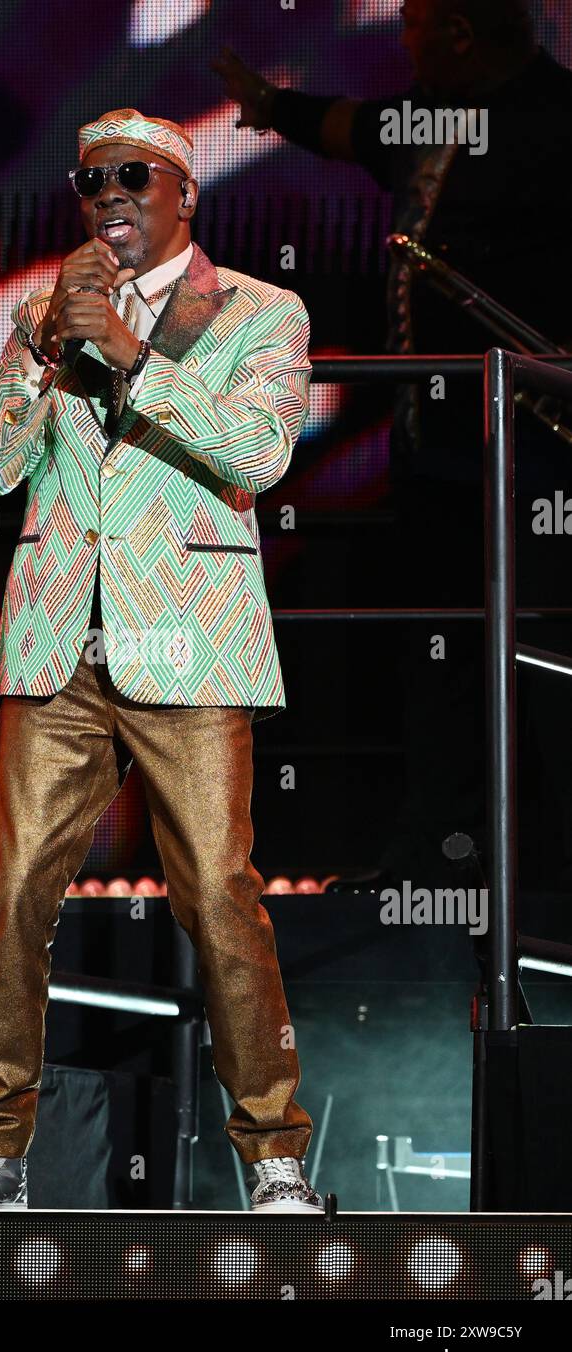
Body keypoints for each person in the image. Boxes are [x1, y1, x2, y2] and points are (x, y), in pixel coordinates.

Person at [0, 107, 323, 1214]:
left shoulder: (258, 310)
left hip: (186, 643)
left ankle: (273, 1157)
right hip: (61, 641)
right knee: (11, 896)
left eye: (132, 177)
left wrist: (133, 356)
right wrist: (50, 349)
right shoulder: (43, 315)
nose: (108, 195)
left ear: (183, 192)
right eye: (90, 179)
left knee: (217, 894)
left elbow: (258, 452)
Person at [212, 0, 572, 891]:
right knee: (441, 655)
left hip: (544, 454)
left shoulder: (559, 122)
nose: (400, 38)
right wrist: (270, 105)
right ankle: (436, 862)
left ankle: (559, 875)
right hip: (444, 454)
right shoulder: (436, 117)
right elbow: (355, 129)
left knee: (551, 663)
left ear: (460, 30)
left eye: (413, 21)